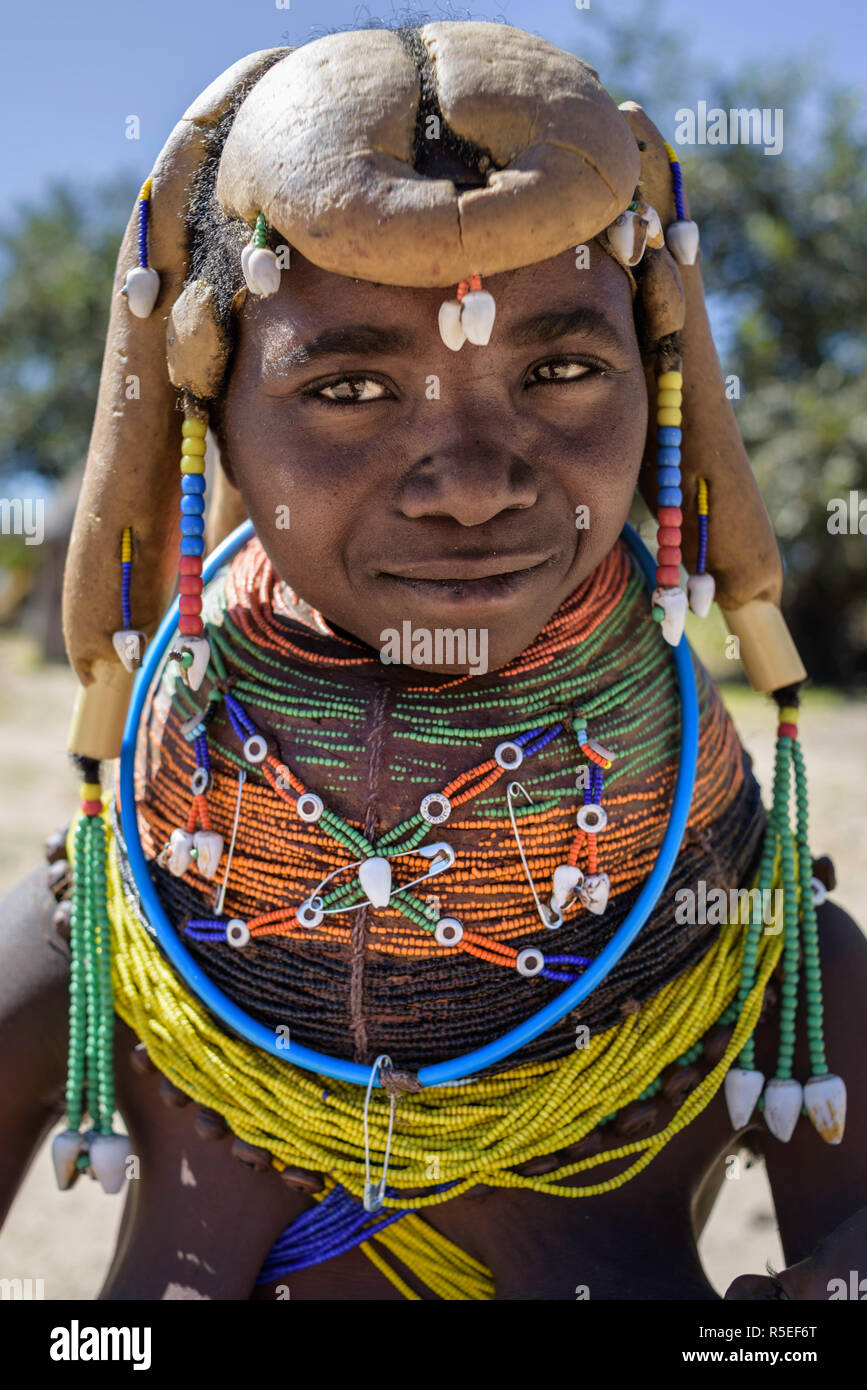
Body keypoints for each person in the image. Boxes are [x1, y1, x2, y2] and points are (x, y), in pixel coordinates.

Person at [0, 19, 864, 1302]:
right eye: (349, 391)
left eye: (563, 368)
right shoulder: (113, 922)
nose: (469, 484)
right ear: (213, 417)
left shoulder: (750, 940)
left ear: (658, 387)